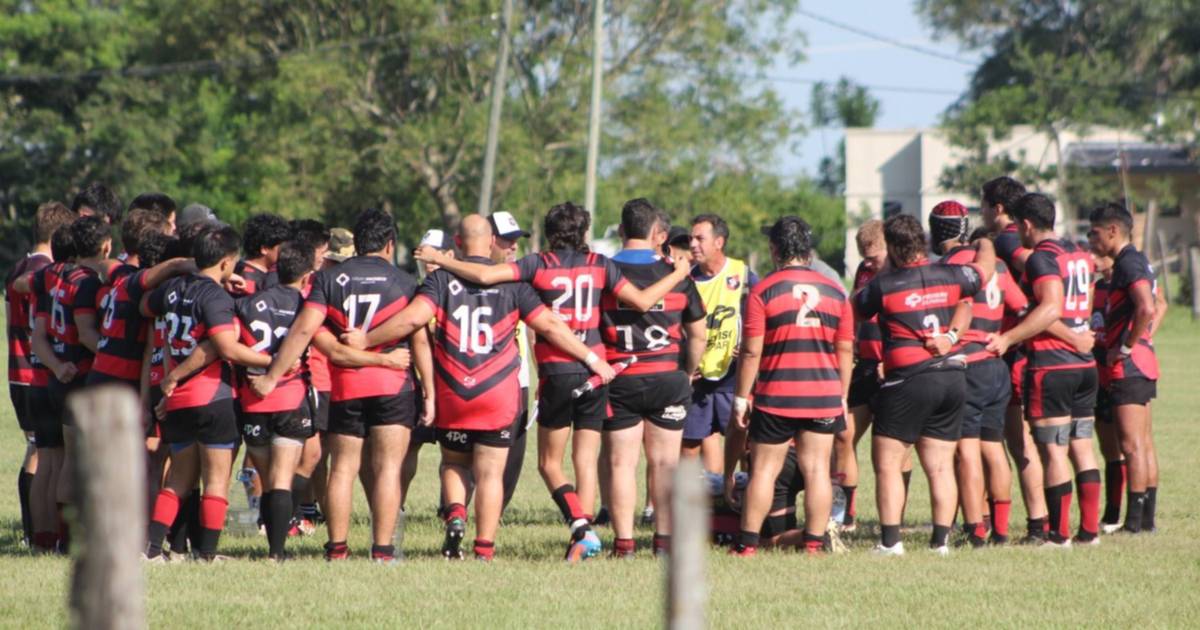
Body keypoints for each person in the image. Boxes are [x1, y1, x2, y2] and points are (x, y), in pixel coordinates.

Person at [415, 205, 689, 560]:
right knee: (586, 461)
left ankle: (582, 527)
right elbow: (642, 301)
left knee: (548, 462)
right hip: (594, 367)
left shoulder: (537, 264)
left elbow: (485, 277)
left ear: (548, 233)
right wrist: (679, 272)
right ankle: (585, 537)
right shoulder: (599, 264)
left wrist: (443, 261)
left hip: (558, 370)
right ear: (585, 233)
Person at [343, 214, 615, 561]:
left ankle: (456, 513)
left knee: (453, 463)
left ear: (457, 242)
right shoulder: (515, 284)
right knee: (490, 473)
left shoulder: (440, 279)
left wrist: (366, 339)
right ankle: (484, 548)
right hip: (497, 391)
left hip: (453, 390)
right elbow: (549, 326)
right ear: (490, 243)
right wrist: (592, 359)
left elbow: (411, 320)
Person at [249, 208, 432, 563]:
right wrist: (431, 391)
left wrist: (272, 376)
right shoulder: (406, 282)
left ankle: (337, 548)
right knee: (388, 469)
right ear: (390, 245)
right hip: (394, 384)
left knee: (343, 467)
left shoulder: (329, 280)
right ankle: (382, 551)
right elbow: (420, 340)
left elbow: (303, 329)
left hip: (346, 386)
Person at [854, 214, 995, 555]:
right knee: (941, 465)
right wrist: (985, 242)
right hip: (952, 376)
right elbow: (985, 272)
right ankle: (940, 543)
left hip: (909, 380)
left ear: (893, 249)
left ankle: (890, 543)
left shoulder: (885, 285)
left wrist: (886, 271)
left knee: (888, 462)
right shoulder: (952, 274)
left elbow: (856, 308)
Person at [141, 225, 275, 561]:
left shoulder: (172, 289)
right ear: (227, 262)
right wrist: (271, 360)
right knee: (216, 481)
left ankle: (152, 550)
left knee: (178, 480)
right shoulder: (216, 298)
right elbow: (225, 349)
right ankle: (206, 555)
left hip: (179, 402)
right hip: (211, 397)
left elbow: (145, 305)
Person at [725, 216, 853, 556]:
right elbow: (845, 348)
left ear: (774, 249)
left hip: (776, 394)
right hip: (823, 393)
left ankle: (747, 546)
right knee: (817, 470)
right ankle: (813, 544)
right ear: (808, 251)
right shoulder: (837, 291)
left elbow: (751, 350)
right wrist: (841, 394)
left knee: (764, 470)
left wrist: (741, 398)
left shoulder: (763, 291)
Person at [985, 193, 1100, 546]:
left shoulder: (1040, 259)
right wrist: (1080, 334)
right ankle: (1090, 532)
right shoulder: (1080, 254)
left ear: (1027, 225)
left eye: (1018, 226)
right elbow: (1085, 302)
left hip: (1053, 364)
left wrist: (1008, 338)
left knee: (1052, 449)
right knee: (1081, 446)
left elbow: (1050, 309)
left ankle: (1058, 535)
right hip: (1085, 364)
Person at [601, 199, 707, 557]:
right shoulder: (676, 274)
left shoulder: (605, 271)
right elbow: (699, 335)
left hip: (621, 379)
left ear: (620, 230)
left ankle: (624, 544)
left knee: (621, 464)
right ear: (655, 233)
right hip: (667, 377)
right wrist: (688, 372)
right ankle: (663, 544)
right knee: (666, 464)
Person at [931, 203, 1027, 545]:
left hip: (966, 366)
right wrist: (1005, 337)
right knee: (994, 449)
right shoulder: (999, 265)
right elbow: (1023, 307)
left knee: (967, 451)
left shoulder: (947, 267)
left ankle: (975, 531)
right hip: (996, 365)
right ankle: (1001, 530)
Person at [1086, 202, 1161, 533]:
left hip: (1128, 366)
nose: (1091, 239)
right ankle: (1145, 521)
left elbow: (1147, 306)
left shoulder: (1129, 262)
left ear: (1112, 231)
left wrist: (1127, 345)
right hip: (1141, 364)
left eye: (1095, 232)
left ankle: (1134, 521)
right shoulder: (1135, 260)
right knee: (1142, 444)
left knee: (1131, 445)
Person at [981, 176, 1048, 541]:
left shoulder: (1007, 240)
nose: (982, 212)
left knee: (1016, 443)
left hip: (1013, 351)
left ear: (998, 209)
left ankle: (1036, 523)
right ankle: (1034, 521)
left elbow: (1036, 265)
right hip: (1022, 350)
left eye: (983, 205)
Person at [5, 201, 75, 548]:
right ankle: (41, 533)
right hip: (38, 371)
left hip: (20, 371)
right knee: (46, 455)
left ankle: (38, 535)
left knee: (38, 451)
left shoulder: (19, 265)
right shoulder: (44, 272)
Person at [684, 214, 757, 476]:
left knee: (746, 445)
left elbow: (760, 317)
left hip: (734, 378)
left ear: (719, 242)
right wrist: (686, 364)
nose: (693, 244)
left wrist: (749, 343)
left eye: (699, 238)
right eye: (691, 238)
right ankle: (688, 508)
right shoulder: (686, 280)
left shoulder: (743, 275)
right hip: (698, 379)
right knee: (688, 447)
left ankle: (746, 503)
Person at [836, 219, 891, 531]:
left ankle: (893, 512)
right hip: (864, 366)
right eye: (864, 258)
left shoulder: (901, 275)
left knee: (892, 446)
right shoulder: (865, 273)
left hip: (892, 368)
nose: (868, 263)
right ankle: (847, 515)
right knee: (843, 435)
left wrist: (890, 359)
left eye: (874, 257)